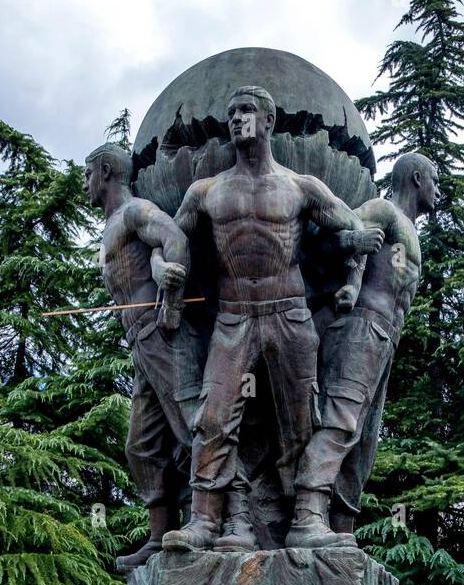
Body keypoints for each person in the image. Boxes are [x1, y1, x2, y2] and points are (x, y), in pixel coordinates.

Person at [162, 86, 383, 551]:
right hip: (234, 318)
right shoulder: (206, 191)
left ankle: (308, 520)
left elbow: (353, 231)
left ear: (268, 121)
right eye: (231, 112)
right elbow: (172, 239)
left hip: (290, 314)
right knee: (214, 417)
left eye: (246, 111)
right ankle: (209, 520)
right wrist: (164, 270)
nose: (236, 120)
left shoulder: (301, 187)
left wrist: (352, 267)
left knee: (302, 418)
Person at [285, 153, 440, 548]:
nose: (438, 189)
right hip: (362, 326)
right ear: (417, 178)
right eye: (434, 179)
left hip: (388, 336)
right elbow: (339, 239)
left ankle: (341, 527)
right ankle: (307, 512)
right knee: (341, 420)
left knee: (365, 438)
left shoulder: (410, 229)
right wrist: (355, 261)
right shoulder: (384, 210)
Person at [85, 142, 207, 571]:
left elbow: (174, 238)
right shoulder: (114, 223)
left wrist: (169, 296)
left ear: (105, 171)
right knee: (141, 444)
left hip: (161, 333)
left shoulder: (135, 211)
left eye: (88, 174)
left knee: (194, 425)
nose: (86, 184)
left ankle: (215, 521)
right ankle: (159, 537)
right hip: (140, 343)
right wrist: (155, 262)